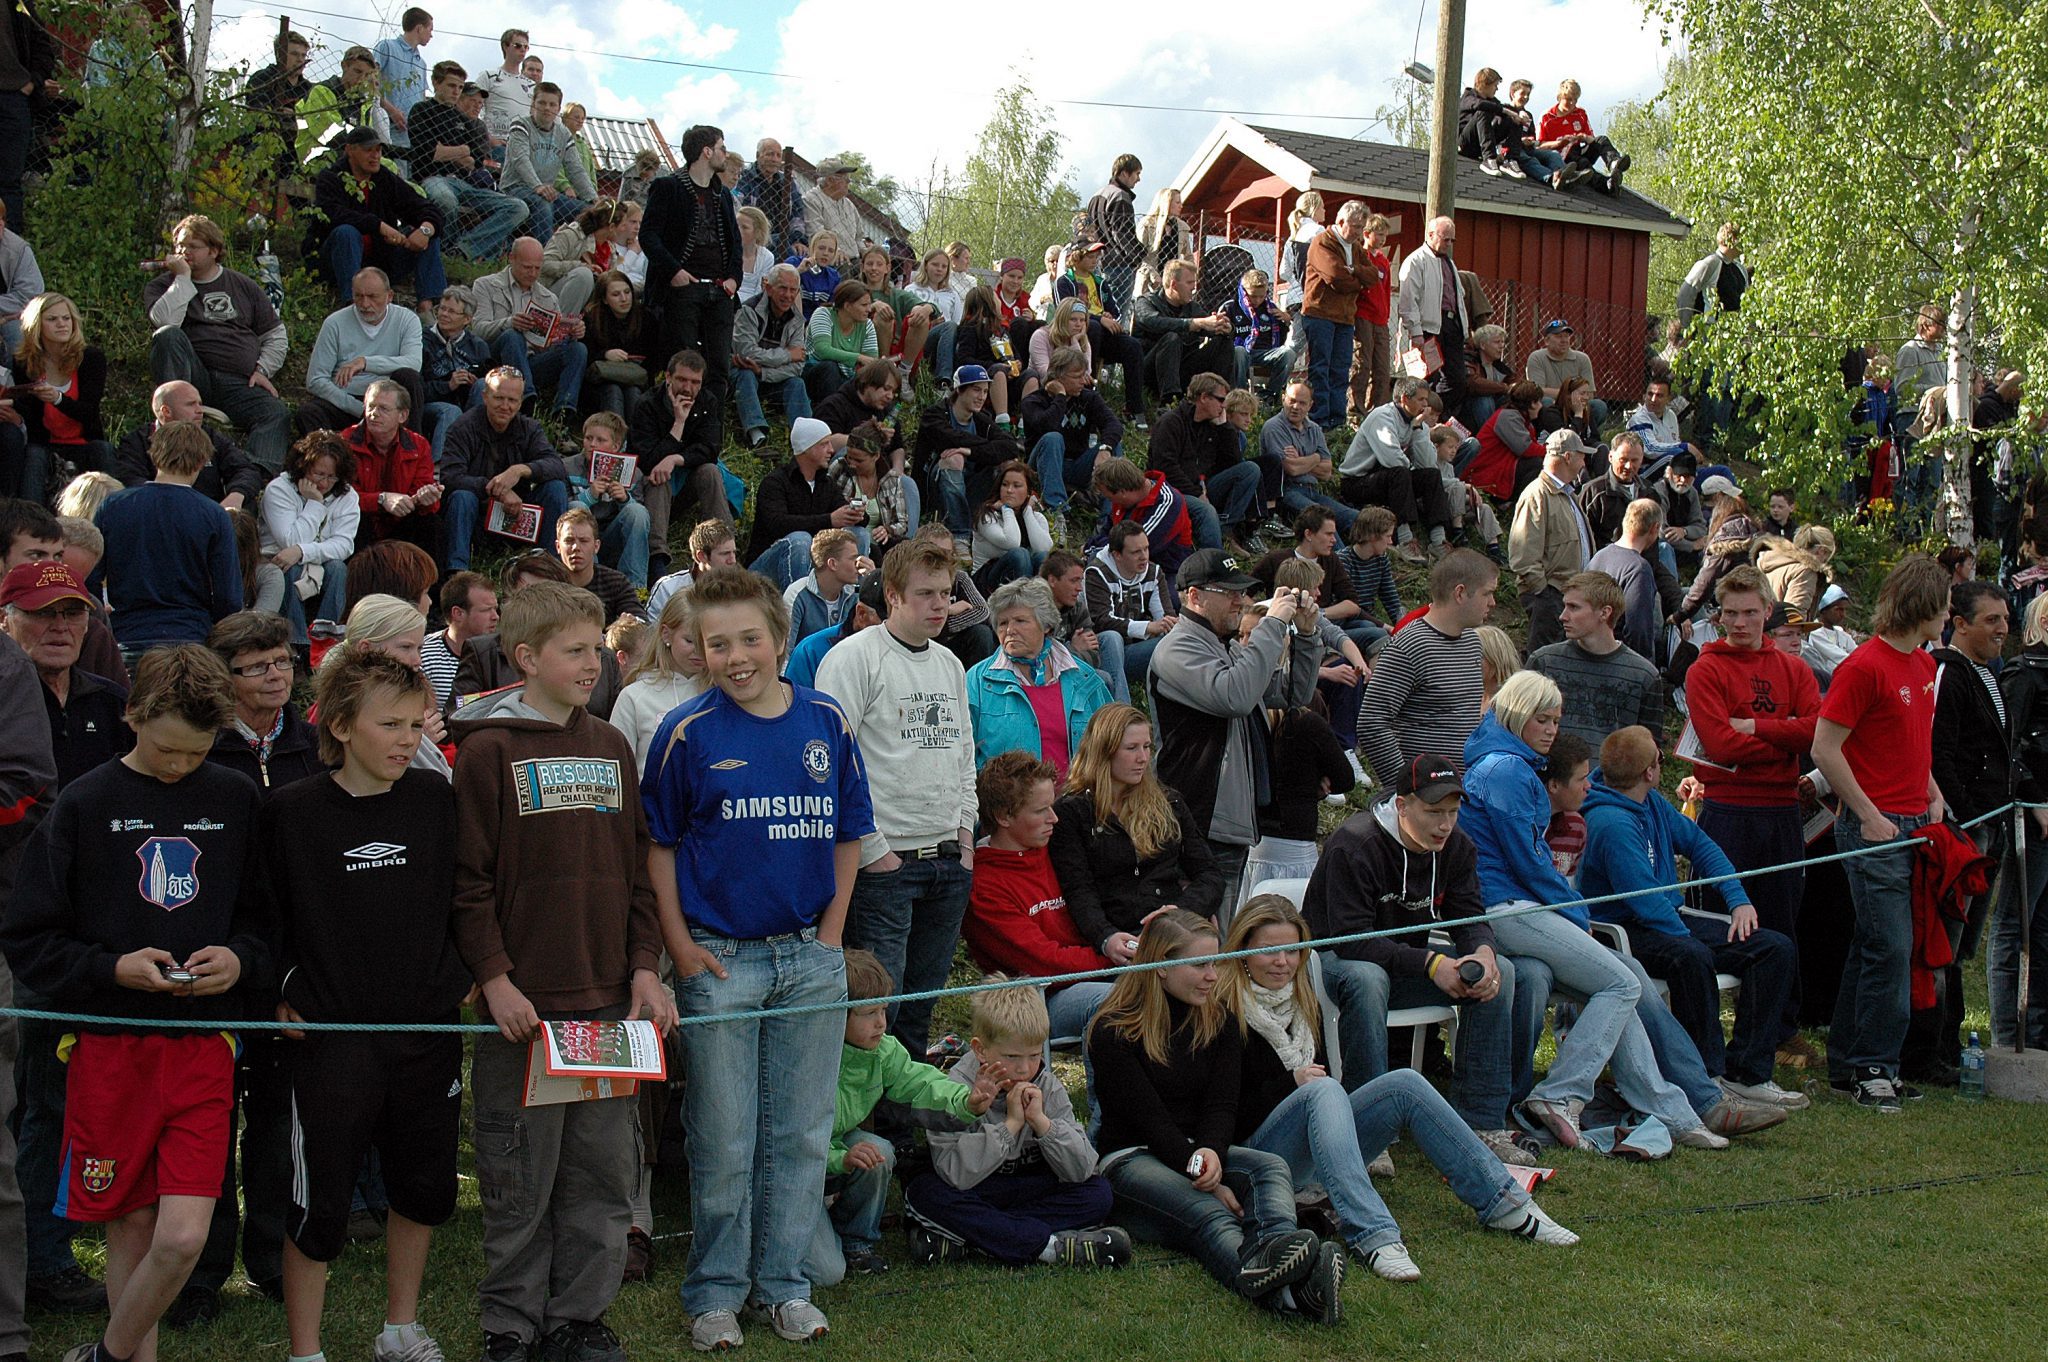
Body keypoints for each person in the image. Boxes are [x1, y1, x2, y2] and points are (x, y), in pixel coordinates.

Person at [3, 644, 268, 1362]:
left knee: (182, 1235)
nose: (181, 766)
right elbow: (29, 937)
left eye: (197, 751)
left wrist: (239, 959)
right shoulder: (86, 801)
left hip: (205, 1046)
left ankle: (105, 1355)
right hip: (108, 1047)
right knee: (130, 1224)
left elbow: (270, 922)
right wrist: (111, 967)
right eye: (166, 749)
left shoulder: (236, 797)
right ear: (133, 715)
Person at [634, 565, 868, 1348]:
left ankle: (783, 1284)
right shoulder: (685, 733)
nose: (736, 657)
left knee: (800, 1135)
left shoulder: (826, 722)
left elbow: (847, 836)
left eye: (749, 639)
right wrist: (678, 943)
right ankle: (714, 1293)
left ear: (779, 637)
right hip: (722, 962)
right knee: (725, 1138)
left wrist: (831, 937)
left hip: (809, 957)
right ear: (696, 650)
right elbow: (659, 848)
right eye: (716, 643)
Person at [448, 582, 674, 1362]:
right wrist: (496, 976)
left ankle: (579, 1317)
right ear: (525, 658)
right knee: (519, 1180)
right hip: (526, 1013)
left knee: (602, 1176)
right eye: (574, 651)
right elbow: (467, 884)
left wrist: (645, 968)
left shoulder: (611, 744)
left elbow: (640, 870)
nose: (592, 665)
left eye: (595, 651)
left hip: (607, 1009)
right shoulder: (485, 753)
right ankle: (511, 1324)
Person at [246, 643, 468, 1362]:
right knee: (320, 1202)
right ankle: (304, 1349)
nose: (407, 740)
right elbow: (261, 916)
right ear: (340, 725)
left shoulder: (437, 800)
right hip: (331, 1038)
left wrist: (457, 979)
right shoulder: (290, 811)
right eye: (390, 725)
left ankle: (400, 1327)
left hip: (424, 1030)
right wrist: (281, 991)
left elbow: (463, 900)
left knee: (424, 1183)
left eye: (416, 724)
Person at [1225, 896, 1576, 1280]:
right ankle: (1373, 1234)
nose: (1283, 962)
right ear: (1242, 951)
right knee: (1322, 1092)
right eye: (1269, 952)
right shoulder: (1223, 1011)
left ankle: (1506, 1205)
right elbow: (1223, 1116)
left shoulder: (1301, 1000)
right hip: (1258, 1156)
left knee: (1404, 1083)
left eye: (1292, 951)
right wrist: (1291, 1084)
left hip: (1314, 1144)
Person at [1460, 671, 1726, 1149]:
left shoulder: (1505, 762)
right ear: (1518, 714)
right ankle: (1561, 1093)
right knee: (1621, 982)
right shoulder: (1507, 769)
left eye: (1556, 720)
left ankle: (1673, 1108)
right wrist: (1578, 913)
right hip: (1507, 907)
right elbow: (1530, 861)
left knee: (1628, 977)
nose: (1551, 730)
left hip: (1519, 906)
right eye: (1542, 719)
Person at [1085, 910, 1345, 1322]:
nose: (1213, 975)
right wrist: (1203, 1176)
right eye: (1200, 964)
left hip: (1199, 1151)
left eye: (1215, 962)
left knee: (1270, 1167)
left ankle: (1283, 1256)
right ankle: (1290, 1297)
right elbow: (1151, 1123)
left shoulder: (1218, 1019)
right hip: (1133, 1157)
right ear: (1160, 968)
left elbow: (1222, 1105)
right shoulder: (1113, 1031)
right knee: (1213, 1214)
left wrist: (1211, 1153)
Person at [1305, 754, 1533, 1163]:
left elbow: (1468, 916)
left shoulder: (1456, 846)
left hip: (1403, 965)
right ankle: (1368, 1129)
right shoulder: (1355, 844)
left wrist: (1482, 950)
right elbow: (1351, 939)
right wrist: (1432, 965)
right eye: (1433, 812)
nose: (1445, 824)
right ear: (1403, 805)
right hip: (1335, 962)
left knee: (1504, 974)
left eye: (1453, 811)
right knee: (1366, 978)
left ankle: (1482, 1124)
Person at [1582, 725, 1804, 1107]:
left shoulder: (1651, 803)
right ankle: (1704, 1076)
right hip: (1622, 928)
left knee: (1774, 948)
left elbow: (1700, 844)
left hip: (1666, 917)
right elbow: (1644, 901)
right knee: (1691, 957)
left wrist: (1738, 900)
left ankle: (1748, 1074)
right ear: (1650, 772)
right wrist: (1690, 934)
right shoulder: (1611, 823)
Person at [817, 539, 977, 1063]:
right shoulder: (852, 659)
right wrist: (874, 851)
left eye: (946, 594)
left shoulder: (952, 664)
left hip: (946, 860)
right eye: (925, 594)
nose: (939, 605)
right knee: (873, 1010)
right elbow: (834, 767)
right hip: (884, 865)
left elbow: (964, 755)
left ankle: (905, 1124)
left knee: (921, 1004)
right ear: (892, 595)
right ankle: (871, 1129)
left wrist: (965, 835)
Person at [905, 972, 1126, 1267]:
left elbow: (1082, 1169)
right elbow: (955, 1174)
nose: (1024, 1069)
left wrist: (1043, 1125)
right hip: (979, 1188)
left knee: (1098, 1194)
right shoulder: (957, 1085)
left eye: (1034, 1055)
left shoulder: (1045, 1083)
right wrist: (1009, 1127)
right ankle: (1050, 1246)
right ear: (980, 1049)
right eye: (1011, 1057)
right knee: (924, 1194)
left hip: (1027, 1188)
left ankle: (975, 1239)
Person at [807, 949, 993, 1285]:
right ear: (837, 1016)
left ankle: (857, 1242)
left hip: (835, 1153)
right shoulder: (811, 1055)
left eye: (883, 1009)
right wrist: (842, 1158)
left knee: (879, 1152)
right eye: (868, 1013)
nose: (881, 1022)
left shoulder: (883, 1050)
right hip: (800, 1164)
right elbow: (794, 1143)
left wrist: (967, 1099)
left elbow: (921, 1081)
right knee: (826, 1274)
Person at [1149, 548, 1319, 907]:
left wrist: (1305, 636)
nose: (1240, 601)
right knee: (1202, 941)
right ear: (1194, 596)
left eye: (1242, 592)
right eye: (1228, 592)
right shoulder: (1176, 650)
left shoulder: (1225, 648)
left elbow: (1290, 693)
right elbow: (1236, 697)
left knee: (1221, 941)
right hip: (1195, 823)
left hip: (1227, 823)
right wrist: (1271, 624)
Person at [1914, 580, 2016, 1082]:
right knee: (1944, 941)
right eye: (1992, 620)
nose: (2003, 628)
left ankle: (1948, 1043)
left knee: (1962, 946)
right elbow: (1940, 756)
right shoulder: (1948, 675)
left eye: (2005, 618)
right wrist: (1967, 817)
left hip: (1988, 826)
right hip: (1962, 829)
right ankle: (1934, 1046)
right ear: (1961, 624)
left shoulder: (1986, 673)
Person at [962, 752, 1115, 1032]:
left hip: (1100, 970)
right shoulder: (984, 886)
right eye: (1040, 810)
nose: (1054, 818)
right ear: (1003, 816)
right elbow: (1043, 962)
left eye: (1052, 806)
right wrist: (1116, 957)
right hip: (1037, 1000)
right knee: (1123, 1001)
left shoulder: (1056, 848)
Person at [142, 215, 293, 477]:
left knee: (275, 413)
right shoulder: (163, 285)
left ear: (213, 250)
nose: (183, 252)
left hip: (238, 382)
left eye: (192, 246)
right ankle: (178, 430)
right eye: (179, 246)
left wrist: (263, 369)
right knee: (168, 335)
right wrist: (183, 279)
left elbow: (275, 333)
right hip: (194, 376)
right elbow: (165, 322)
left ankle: (253, 473)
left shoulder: (242, 285)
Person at [93, 423, 242, 660]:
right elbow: (228, 598)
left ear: (153, 455)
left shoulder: (113, 506)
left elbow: (91, 577)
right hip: (191, 638)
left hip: (126, 636)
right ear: (202, 462)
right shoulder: (213, 515)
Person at [1355, 549, 1497, 785]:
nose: (1492, 603)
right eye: (1487, 593)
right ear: (1460, 593)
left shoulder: (1473, 643)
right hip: (1424, 798)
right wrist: (1406, 788)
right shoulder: (1410, 646)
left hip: (1460, 791)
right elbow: (1372, 722)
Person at [965, 577, 1111, 778]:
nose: (1009, 630)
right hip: (1008, 806)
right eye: (1003, 622)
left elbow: (1111, 744)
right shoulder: (977, 681)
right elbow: (963, 756)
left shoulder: (1084, 677)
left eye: (1020, 621)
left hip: (1076, 804)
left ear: (1046, 625)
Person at [643, 125, 742, 403]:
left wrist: (734, 278)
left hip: (720, 290)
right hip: (684, 288)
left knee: (719, 366)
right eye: (722, 147)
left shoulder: (721, 194)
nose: (725, 153)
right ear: (706, 151)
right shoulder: (669, 187)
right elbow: (648, 236)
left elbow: (735, 242)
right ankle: (679, 422)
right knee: (684, 363)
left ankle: (711, 432)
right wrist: (674, 271)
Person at [438, 367, 570, 572]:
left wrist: (519, 470)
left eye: (513, 400)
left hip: (518, 514)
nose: (505, 406)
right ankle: (457, 572)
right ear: (485, 396)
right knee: (462, 497)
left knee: (555, 488)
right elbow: (450, 477)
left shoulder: (530, 428)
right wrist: (497, 489)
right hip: (476, 518)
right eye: (499, 398)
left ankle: (550, 568)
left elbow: (557, 466)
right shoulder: (462, 427)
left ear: (520, 402)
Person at [1528, 571, 1662, 757]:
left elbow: (1651, 752)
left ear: (1605, 613)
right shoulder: (1544, 662)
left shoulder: (1644, 676)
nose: (1563, 616)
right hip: (1545, 778)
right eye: (1564, 606)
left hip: (1610, 782)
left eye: (1574, 607)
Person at [311, 128, 447, 311]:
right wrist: (379, 226)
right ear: (350, 150)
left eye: (378, 150)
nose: (375, 156)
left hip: (381, 263)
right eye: (368, 150)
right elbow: (334, 214)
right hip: (336, 263)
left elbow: (424, 206)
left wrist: (425, 229)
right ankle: (352, 304)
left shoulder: (383, 178)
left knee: (429, 236)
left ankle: (427, 308)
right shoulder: (331, 178)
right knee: (346, 232)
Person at [407, 60, 529, 261]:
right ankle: (444, 251)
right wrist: (461, 151)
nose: (456, 91)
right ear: (436, 84)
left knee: (518, 207)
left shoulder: (465, 120)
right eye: (451, 85)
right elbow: (429, 153)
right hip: (431, 177)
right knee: (445, 199)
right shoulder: (422, 110)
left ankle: (462, 250)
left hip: (464, 183)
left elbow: (474, 162)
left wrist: (449, 152)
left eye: (460, 87)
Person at [1997, 593, 2048, 1047]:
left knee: (2044, 926)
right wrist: (2034, 800)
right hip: (2031, 816)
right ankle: (2007, 1034)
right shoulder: (2024, 672)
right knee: (2016, 924)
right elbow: (2009, 746)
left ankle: (2038, 1033)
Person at [298, 268, 427, 437]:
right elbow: (315, 379)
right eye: (359, 296)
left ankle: (411, 448)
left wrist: (365, 362)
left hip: (387, 397)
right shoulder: (335, 323)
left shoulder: (407, 320)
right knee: (308, 412)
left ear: (389, 296)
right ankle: (329, 458)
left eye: (373, 297)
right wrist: (359, 408)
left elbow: (414, 363)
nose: (365, 304)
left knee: (409, 377)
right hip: (347, 398)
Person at [469, 238, 588, 418]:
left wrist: (571, 333)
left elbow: (552, 342)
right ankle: (526, 399)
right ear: (511, 258)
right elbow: (478, 330)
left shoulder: (548, 297)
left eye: (537, 268)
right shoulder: (485, 285)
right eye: (527, 267)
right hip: (496, 360)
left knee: (577, 349)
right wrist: (509, 322)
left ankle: (564, 413)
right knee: (512, 336)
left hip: (532, 361)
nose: (532, 273)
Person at [10, 293, 109, 505]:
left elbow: (89, 412)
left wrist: (56, 399)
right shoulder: (23, 363)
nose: (62, 324)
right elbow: (30, 418)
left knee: (104, 451)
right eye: (52, 319)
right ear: (37, 325)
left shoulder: (90, 358)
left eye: (67, 318)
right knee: (34, 455)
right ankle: (31, 522)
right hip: (44, 442)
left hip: (85, 440)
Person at [258, 431, 358, 641]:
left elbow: (344, 545)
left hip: (318, 561)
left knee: (338, 568)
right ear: (303, 467)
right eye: (319, 474)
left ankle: (325, 638)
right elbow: (289, 540)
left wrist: (302, 551)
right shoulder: (279, 489)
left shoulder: (347, 495)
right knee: (289, 567)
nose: (325, 483)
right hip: (277, 559)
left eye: (332, 476)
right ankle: (297, 643)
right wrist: (315, 503)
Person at [1146, 373, 1259, 554]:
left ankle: (1225, 532)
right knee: (1206, 510)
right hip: (1171, 490)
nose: (1224, 405)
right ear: (1204, 397)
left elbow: (1234, 462)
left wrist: (1224, 427)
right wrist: (1197, 492)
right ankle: (1215, 564)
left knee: (1250, 470)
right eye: (1221, 399)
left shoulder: (1212, 425)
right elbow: (1165, 468)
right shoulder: (1171, 423)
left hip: (1202, 487)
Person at [1341, 376, 1451, 560]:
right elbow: (1392, 459)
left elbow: (1428, 463)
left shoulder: (1417, 422)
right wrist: (1408, 465)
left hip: (1389, 478)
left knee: (1431, 475)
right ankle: (1405, 540)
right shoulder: (1382, 417)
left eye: (1426, 399)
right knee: (1400, 473)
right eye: (1421, 399)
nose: (1426, 405)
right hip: (1357, 482)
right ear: (1404, 399)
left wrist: (1417, 429)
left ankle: (1438, 540)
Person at [1509, 430, 1595, 653]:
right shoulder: (1537, 494)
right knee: (1543, 664)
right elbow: (1523, 553)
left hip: (1564, 595)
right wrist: (1544, 594)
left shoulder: (1566, 493)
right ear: (1568, 457)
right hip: (1550, 596)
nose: (1584, 461)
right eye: (1581, 455)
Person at [749, 416, 857, 587]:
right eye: (824, 444)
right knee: (799, 540)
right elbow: (777, 523)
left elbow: (843, 511)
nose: (831, 450)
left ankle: (852, 600)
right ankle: (798, 606)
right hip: (764, 570)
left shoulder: (826, 483)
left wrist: (856, 513)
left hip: (812, 564)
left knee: (858, 533)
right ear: (807, 448)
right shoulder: (775, 482)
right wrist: (829, 520)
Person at [603, 590, 705, 769]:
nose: (699, 650)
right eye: (689, 641)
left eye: (708, 641)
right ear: (666, 634)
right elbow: (616, 768)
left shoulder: (725, 692)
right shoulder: (634, 697)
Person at [1021, 345, 1122, 519]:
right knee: (1053, 438)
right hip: (1041, 467)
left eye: (1084, 375)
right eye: (1077, 376)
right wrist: (1060, 396)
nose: (1084, 381)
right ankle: (1058, 511)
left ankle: (1109, 517)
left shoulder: (1088, 398)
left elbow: (1113, 424)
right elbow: (1049, 426)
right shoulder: (1034, 401)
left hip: (1077, 465)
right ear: (1058, 376)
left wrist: (1105, 448)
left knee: (1115, 444)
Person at [342, 378, 441, 556]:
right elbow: (341, 495)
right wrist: (381, 499)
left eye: (383, 409)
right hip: (360, 522)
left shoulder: (418, 445)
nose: (374, 414)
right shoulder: (346, 442)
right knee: (355, 517)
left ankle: (434, 583)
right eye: (371, 406)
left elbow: (423, 496)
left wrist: (425, 498)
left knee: (430, 524)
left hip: (400, 522)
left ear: (402, 416)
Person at [1299, 202, 1375, 430]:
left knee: (1341, 369)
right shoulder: (1322, 242)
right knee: (1321, 368)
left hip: (1344, 318)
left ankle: (1337, 419)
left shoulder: (1357, 248)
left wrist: (1356, 271)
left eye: (1362, 227)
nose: (1358, 232)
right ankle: (1319, 419)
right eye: (1354, 226)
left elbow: (1374, 275)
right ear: (1340, 222)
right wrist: (1358, 282)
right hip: (1319, 314)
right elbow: (1335, 278)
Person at [1133, 258, 1239, 403]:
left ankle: (1225, 400)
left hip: (1183, 371)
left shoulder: (1192, 307)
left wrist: (1224, 327)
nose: (1194, 288)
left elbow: (1209, 325)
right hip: (1151, 372)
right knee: (1171, 337)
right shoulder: (1146, 302)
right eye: (1189, 283)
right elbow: (1154, 322)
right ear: (1174, 284)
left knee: (1223, 342)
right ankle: (1170, 402)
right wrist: (1194, 323)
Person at [1395, 217, 1470, 419]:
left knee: (1458, 380)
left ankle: (1438, 414)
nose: (1449, 244)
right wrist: (1416, 332)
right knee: (1426, 378)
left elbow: (1458, 297)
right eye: (1446, 239)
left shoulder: (1449, 263)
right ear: (1430, 235)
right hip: (1428, 329)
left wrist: (1463, 327)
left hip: (1451, 325)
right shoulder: (1416, 261)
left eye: (1452, 241)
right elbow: (1409, 301)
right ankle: (1423, 418)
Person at [502, 82, 593, 243]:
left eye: (552, 104)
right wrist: (537, 186)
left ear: (558, 109)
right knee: (543, 204)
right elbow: (520, 160)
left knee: (588, 212)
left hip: (547, 192)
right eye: (542, 103)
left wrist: (594, 199)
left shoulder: (563, 134)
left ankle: (576, 258)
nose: (547, 108)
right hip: (516, 188)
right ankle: (544, 260)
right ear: (533, 104)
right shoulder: (521, 125)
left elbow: (575, 169)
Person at [733, 263, 812, 447]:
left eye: (793, 290)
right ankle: (756, 433)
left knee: (797, 383)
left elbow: (798, 366)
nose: (788, 295)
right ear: (768, 288)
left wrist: (763, 372)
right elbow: (746, 353)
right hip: (742, 377)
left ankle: (807, 439)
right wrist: (787, 355)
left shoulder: (797, 320)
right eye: (783, 288)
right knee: (746, 373)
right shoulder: (749, 310)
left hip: (771, 379)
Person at [1261, 380, 1352, 535]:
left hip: (1313, 492)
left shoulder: (1314, 429)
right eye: (1292, 401)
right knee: (1321, 521)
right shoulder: (1274, 427)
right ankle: (1338, 558)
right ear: (1284, 398)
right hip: (1287, 492)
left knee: (1355, 518)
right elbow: (1292, 468)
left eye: (1302, 403)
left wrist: (1301, 459)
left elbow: (1327, 472)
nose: (1296, 407)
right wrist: (1316, 458)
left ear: (1310, 405)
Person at [1585, 498, 1668, 666]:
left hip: (1590, 649)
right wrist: (1644, 670)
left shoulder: (1600, 555)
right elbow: (1638, 630)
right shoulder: (1638, 569)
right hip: (1619, 661)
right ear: (1655, 528)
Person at [971, 461, 1053, 593]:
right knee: (1019, 554)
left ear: (1028, 492)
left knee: (1042, 558)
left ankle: (1035, 605)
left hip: (1021, 582)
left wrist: (1027, 512)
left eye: (1017, 486)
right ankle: (1024, 604)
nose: (1009, 490)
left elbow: (1044, 548)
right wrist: (1007, 508)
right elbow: (1012, 542)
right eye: (1005, 485)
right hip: (984, 585)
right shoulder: (987, 516)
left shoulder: (1037, 518)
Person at [554, 505, 642, 627]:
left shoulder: (616, 582)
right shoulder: (546, 584)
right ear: (558, 546)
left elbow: (642, 625)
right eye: (569, 541)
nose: (576, 548)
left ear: (596, 546)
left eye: (584, 541)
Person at [1539, 79, 1630, 193]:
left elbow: (1592, 139)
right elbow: (1539, 146)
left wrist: (1584, 138)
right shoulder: (1547, 117)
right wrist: (1560, 143)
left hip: (1579, 149)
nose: (1572, 104)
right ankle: (1608, 184)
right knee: (1582, 163)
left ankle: (1614, 162)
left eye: (1575, 100)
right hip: (1562, 156)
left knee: (1601, 140)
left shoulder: (1580, 113)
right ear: (1559, 97)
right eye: (1568, 100)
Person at [421, 571, 495, 708]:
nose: (495, 616)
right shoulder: (424, 654)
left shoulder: (501, 653)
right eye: (486, 610)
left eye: (495, 609)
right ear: (458, 613)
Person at [1084, 154, 1144, 317]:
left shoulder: (1096, 196)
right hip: (1119, 264)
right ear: (1124, 173)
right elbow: (1123, 234)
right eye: (1137, 174)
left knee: (1098, 313)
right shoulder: (1120, 197)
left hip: (1098, 261)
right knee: (1117, 315)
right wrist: (1137, 257)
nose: (1138, 179)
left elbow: (1089, 229)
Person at [783, 527, 863, 645]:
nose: (859, 564)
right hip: (807, 662)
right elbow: (785, 654)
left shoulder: (853, 594)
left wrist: (872, 579)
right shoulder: (797, 594)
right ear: (833, 564)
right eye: (853, 559)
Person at [1578, 431, 1651, 547]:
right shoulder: (1594, 492)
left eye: (1634, 460)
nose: (1628, 466)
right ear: (1610, 457)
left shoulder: (1648, 491)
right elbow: (1581, 535)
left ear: (1642, 459)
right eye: (1623, 459)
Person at [734, 138, 806, 251]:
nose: (774, 159)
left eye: (778, 155)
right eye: (770, 154)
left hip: (785, 239)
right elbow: (739, 209)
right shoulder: (744, 178)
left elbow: (798, 213)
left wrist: (798, 240)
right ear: (758, 155)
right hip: (753, 237)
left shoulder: (787, 182)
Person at [1676, 222, 1748, 327]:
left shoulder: (1740, 269)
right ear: (1732, 239)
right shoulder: (1711, 263)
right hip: (1706, 333)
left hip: (1732, 334)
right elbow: (1684, 296)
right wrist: (1688, 328)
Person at [474, 29, 533, 151]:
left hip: (523, 148)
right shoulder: (488, 76)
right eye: (517, 46)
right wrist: (487, 138)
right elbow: (472, 107)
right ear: (505, 46)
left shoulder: (532, 86)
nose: (522, 49)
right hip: (496, 145)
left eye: (526, 47)